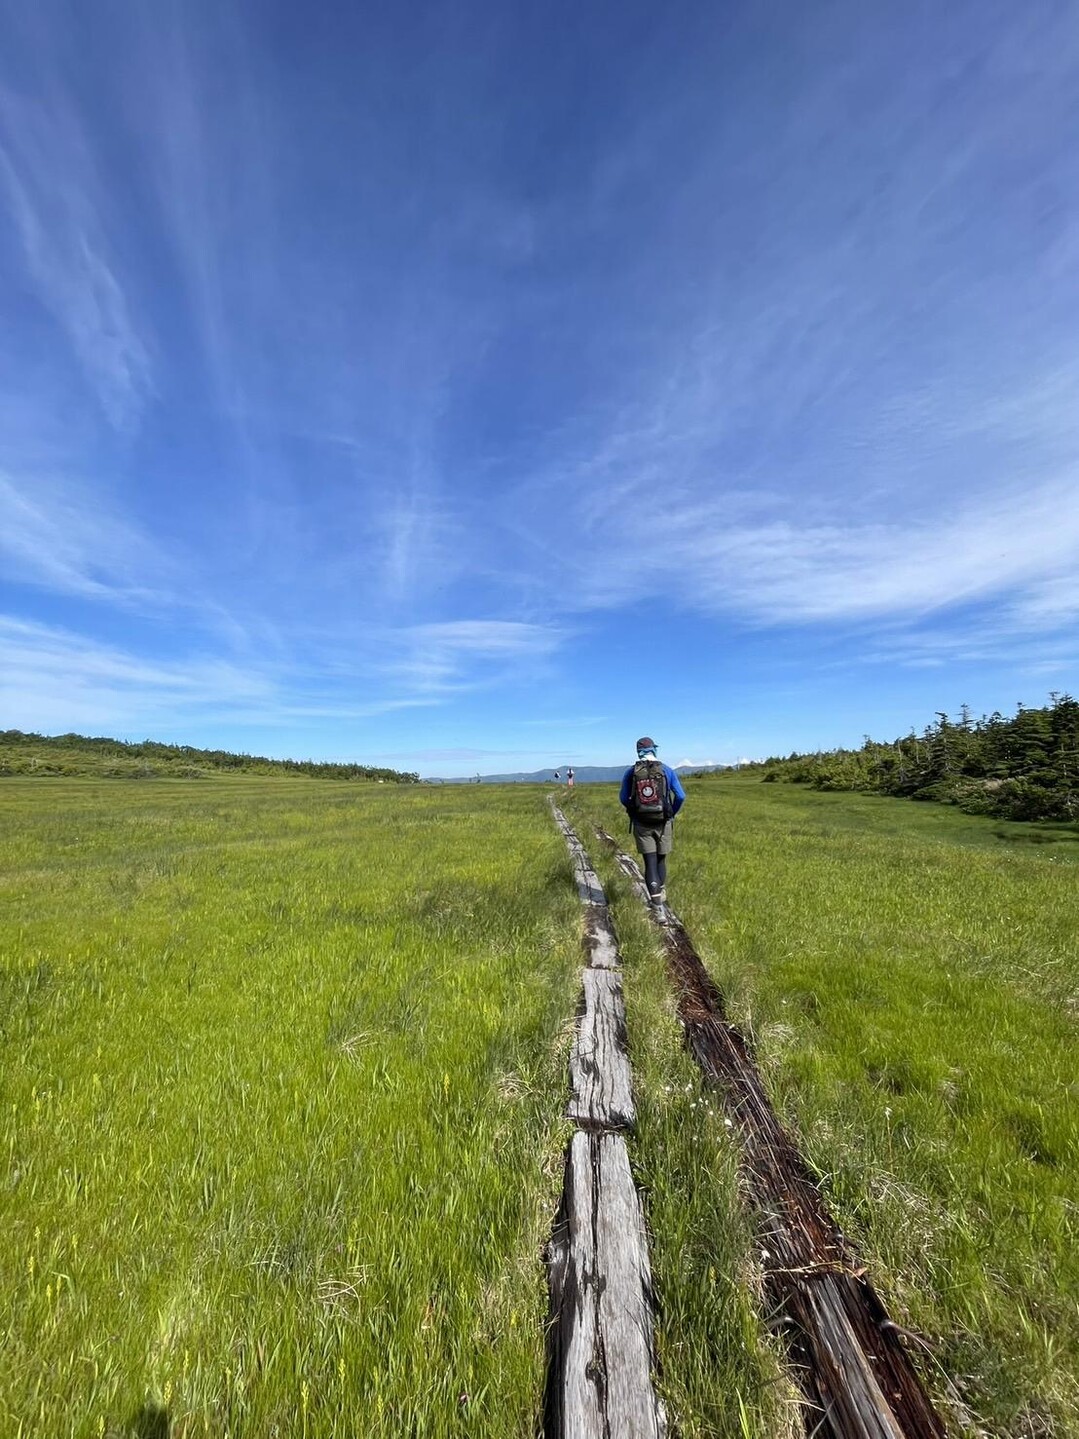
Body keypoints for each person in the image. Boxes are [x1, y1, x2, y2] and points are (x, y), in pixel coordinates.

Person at [620, 736, 685, 905]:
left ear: (638, 752)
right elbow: (680, 796)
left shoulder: (631, 772)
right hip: (664, 822)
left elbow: (623, 798)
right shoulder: (667, 770)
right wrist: (672, 813)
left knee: (650, 863)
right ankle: (661, 894)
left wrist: (634, 811)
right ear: (654, 750)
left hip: (641, 822)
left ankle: (657, 907)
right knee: (661, 860)